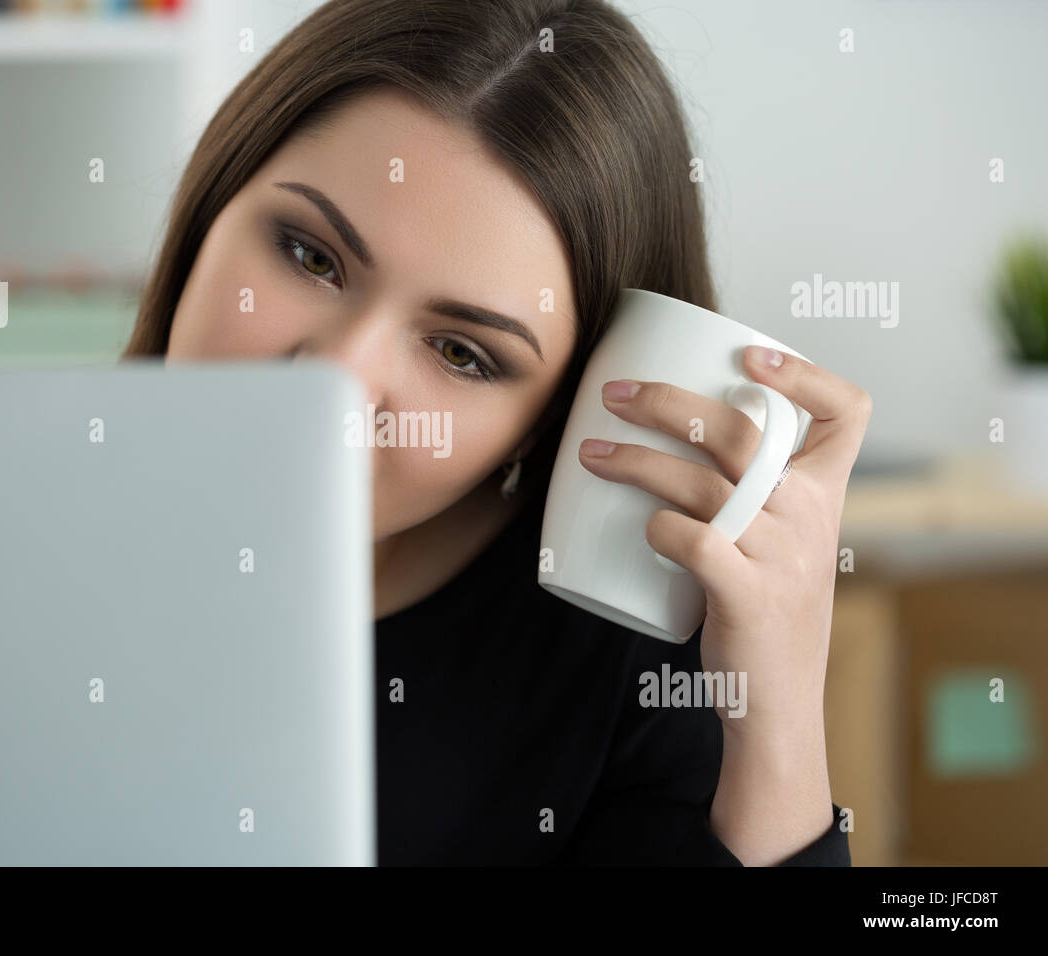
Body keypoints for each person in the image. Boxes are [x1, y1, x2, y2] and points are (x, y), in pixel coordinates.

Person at [124, 0, 870, 865]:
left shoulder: (624, 667)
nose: (334, 384)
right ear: (213, 204)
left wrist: (777, 725)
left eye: (460, 353)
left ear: (550, 418)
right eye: (311, 256)